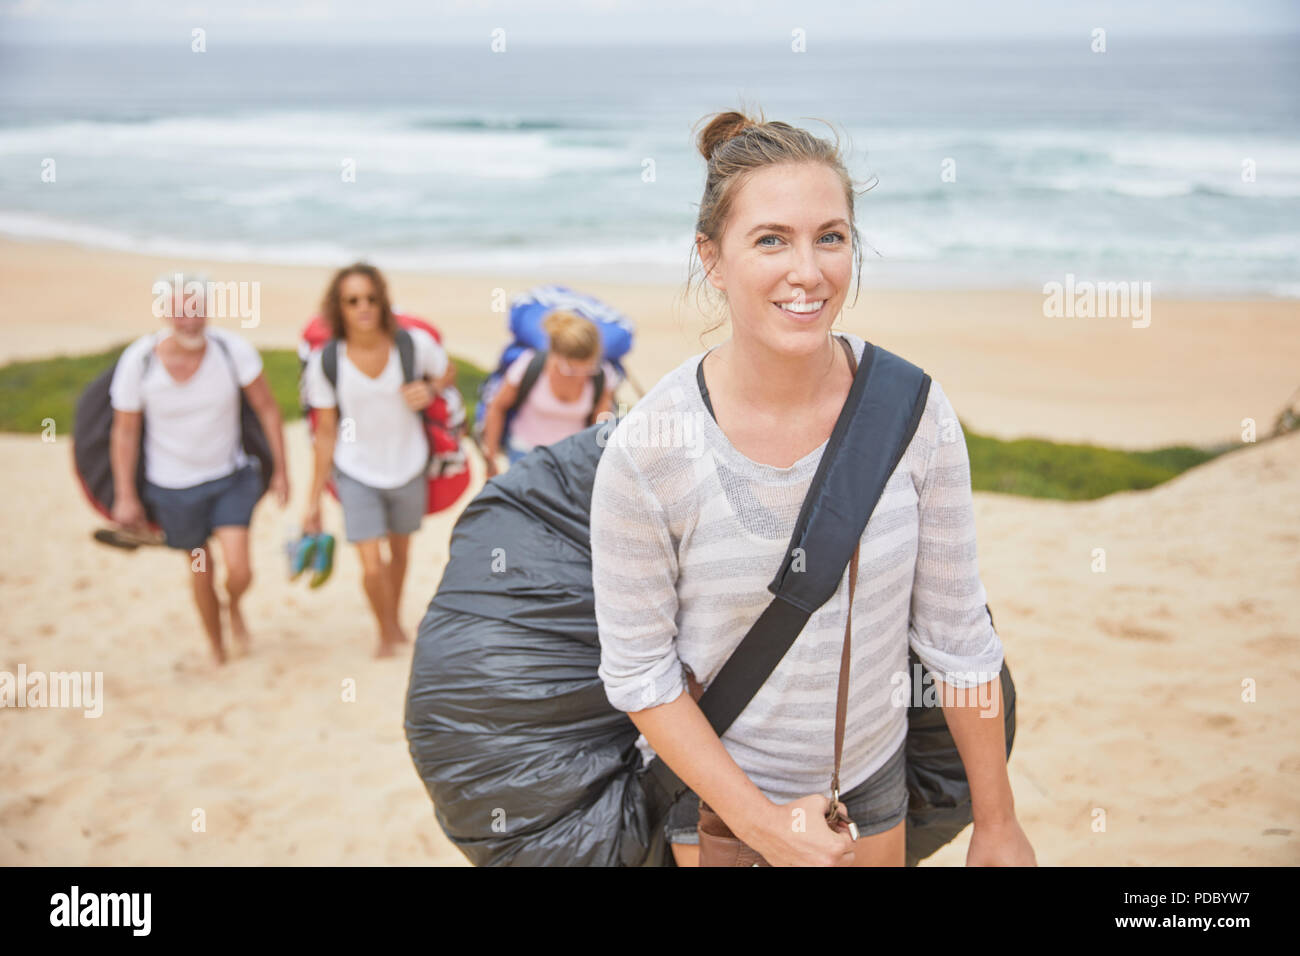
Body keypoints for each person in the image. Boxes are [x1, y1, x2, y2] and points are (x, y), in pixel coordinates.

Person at [589, 110, 1036, 867]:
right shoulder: (648, 451)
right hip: (719, 810)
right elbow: (640, 676)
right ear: (713, 258)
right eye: (771, 239)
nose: (809, 271)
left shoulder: (914, 415)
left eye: (830, 236)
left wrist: (996, 823)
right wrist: (763, 825)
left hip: (869, 790)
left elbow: (958, 639)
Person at [109, 273, 289, 665]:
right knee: (201, 568)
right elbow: (124, 432)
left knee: (240, 569)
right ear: (165, 313)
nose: (190, 319)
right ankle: (217, 647)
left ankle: (235, 605)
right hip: (172, 491)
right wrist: (125, 495)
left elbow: (268, 408)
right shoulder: (138, 363)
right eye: (180, 311)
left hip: (230, 479)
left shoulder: (232, 351)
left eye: (197, 309)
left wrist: (281, 470)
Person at [302, 263, 453, 658]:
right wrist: (313, 499)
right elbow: (326, 431)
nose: (363, 307)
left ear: (382, 300)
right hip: (355, 471)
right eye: (352, 301)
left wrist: (430, 387)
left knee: (401, 554)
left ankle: (395, 621)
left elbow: (446, 370)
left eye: (370, 298)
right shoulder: (326, 361)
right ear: (339, 308)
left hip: (409, 465)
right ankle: (385, 629)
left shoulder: (413, 344)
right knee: (371, 567)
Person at [479, 310, 617, 477]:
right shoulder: (528, 365)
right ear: (555, 355)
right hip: (524, 454)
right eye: (571, 369)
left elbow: (600, 426)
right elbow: (497, 407)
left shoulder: (603, 376)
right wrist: (491, 456)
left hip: (573, 461)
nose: (581, 376)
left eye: (588, 368)